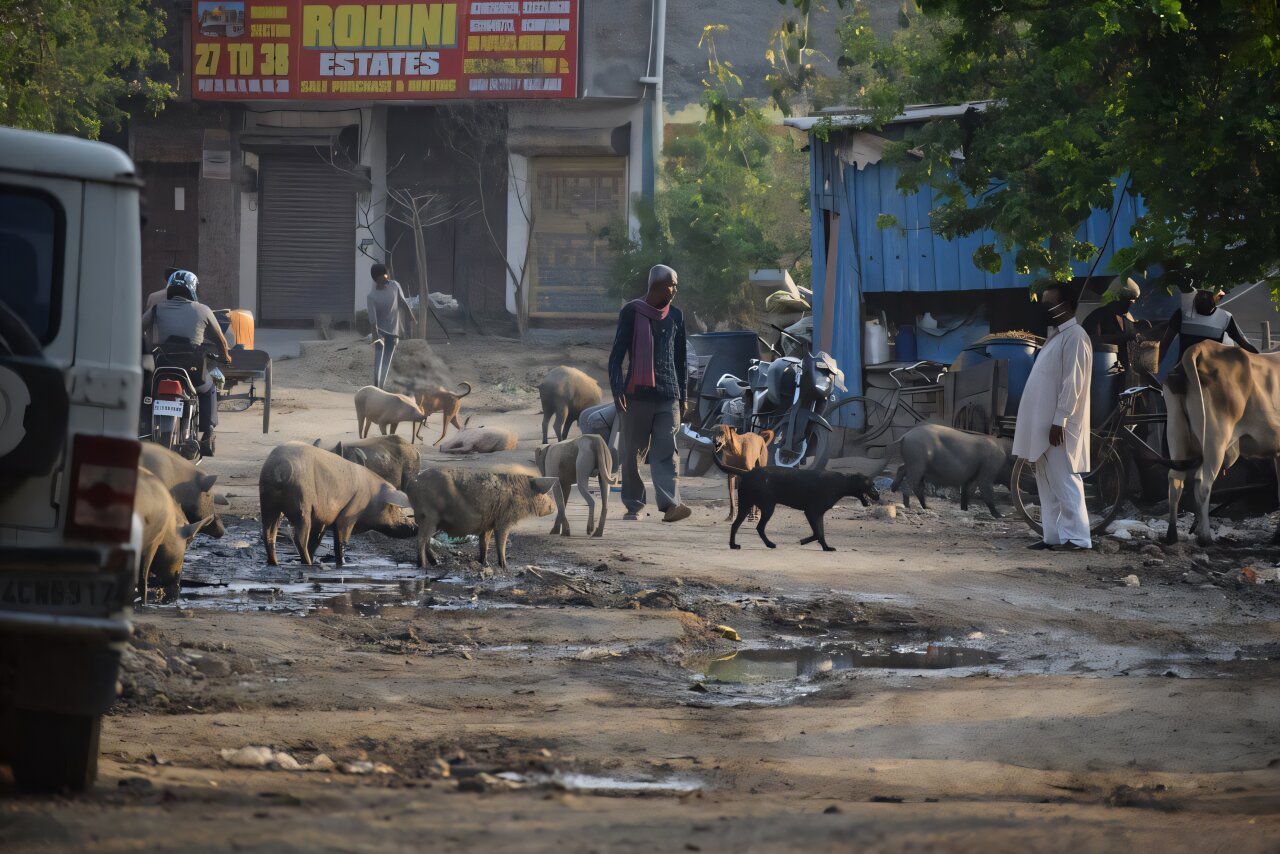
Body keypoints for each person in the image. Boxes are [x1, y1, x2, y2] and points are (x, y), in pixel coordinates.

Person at [1013, 285, 1093, 551]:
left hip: (1060, 426)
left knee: (1065, 479)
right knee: (1047, 483)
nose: (1045, 309)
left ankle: (1078, 538)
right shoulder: (1057, 337)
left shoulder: (1076, 337)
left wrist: (1060, 419)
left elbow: (1074, 383)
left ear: (1067, 306)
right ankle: (1054, 537)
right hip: (1045, 425)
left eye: (1050, 304)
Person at [608, 264, 691, 522]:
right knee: (632, 452)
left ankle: (670, 505)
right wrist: (617, 388)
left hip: (669, 396)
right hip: (637, 396)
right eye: (671, 284)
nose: (675, 289)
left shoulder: (676, 315)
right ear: (656, 285)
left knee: (667, 450)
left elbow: (681, 360)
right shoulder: (632, 312)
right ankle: (633, 505)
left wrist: (684, 396)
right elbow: (616, 355)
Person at [142, 270, 232, 456]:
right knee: (210, 388)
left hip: (162, 367)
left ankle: (142, 428)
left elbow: (137, 329)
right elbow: (220, 341)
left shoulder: (157, 308)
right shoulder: (203, 310)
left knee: (146, 392)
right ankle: (207, 433)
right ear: (193, 289)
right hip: (193, 370)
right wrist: (226, 358)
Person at [1157, 286, 1258, 373]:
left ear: (1219, 298)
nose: (1203, 297)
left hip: (1210, 374)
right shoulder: (1182, 314)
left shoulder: (1225, 317)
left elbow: (1243, 343)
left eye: (1208, 294)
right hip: (1183, 372)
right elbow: (1165, 344)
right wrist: (1154, 366)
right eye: (1201, 293)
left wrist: (1262, 358)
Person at [366, 262, 416, 389]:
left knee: (387, 361)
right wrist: (376, 337)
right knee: (378, 360)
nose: (386, 276)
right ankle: (376, 386)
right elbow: (373, 320)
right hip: (380, 332)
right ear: (376, 278)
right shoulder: (372, 296)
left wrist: (411, 316)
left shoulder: (394, 285)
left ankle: (380, 387)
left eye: (386, 274)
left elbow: (403, 302)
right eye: (383, 275)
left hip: (393, 331)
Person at [1082, 276, 1141, 371]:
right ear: (1117, 298)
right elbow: (1091, 341)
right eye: (1128, 300)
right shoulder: (1098, 316)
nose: (1132, 303)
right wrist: (1124, 337)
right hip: (1103, 374)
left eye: (1133, 300)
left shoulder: (1127, 318)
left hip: (1123, 375)